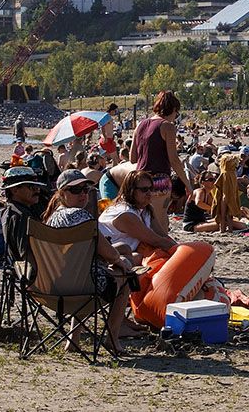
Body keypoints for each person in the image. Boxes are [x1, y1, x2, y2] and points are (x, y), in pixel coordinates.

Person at [42, 169, 136, 354]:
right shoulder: (80, 216)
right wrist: (121, 262)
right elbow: (107, 252)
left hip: (52, 287)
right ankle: (113, 339)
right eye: (75, 190)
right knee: (126, 276)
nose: (83, 194)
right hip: (83, 289)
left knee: (90, 271)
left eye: (86, 189)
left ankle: (73, 341)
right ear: (61, 193)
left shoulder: (51, 219)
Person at [130, 90, 192, 234]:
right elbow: (174, 160)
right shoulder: (167, 126)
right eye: (176, 114)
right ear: (174, 110)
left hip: (138, 181)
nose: (175, 118)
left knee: (145, 221)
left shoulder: (140, 125)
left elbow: (133, 158)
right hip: (159, 181)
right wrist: (187, 184)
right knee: (160, 221)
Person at [98, 170, 176, 257]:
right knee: (138, 257)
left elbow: (162, 235)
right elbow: (155, 240)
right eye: (144, 190)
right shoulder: (125, 214)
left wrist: (179, 247)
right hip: (109, 255)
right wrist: (181, 250)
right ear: (131, 191)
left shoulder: (146, 208)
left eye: (151, 189)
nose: (149, 193)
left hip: (130, 251)